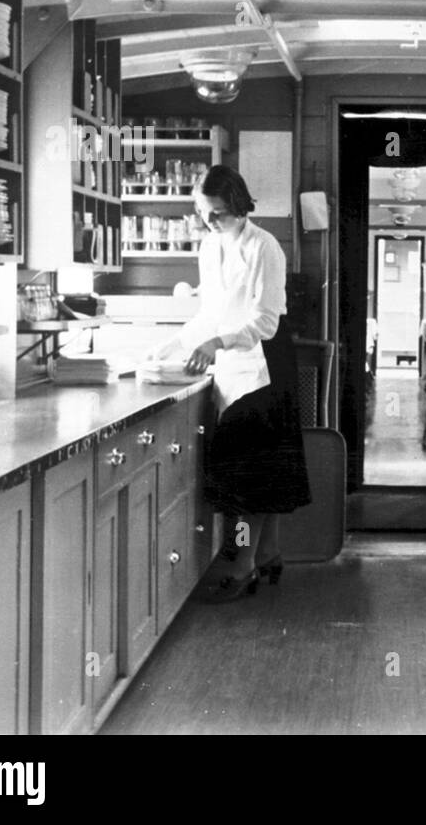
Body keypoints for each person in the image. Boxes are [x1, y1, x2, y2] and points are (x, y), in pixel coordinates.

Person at [151, 164, 311, 602]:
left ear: (239, 205)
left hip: (264, 366)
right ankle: (268, 553)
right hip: (230, 366)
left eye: (218, 213)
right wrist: (169, 346)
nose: (209, 221)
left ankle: (242, 565)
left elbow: (265, 321)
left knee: (248, 482)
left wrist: (217, 343)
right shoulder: (210, 246)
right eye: (203, 212)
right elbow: (209, 314)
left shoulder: (265, 247)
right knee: (261, 473)